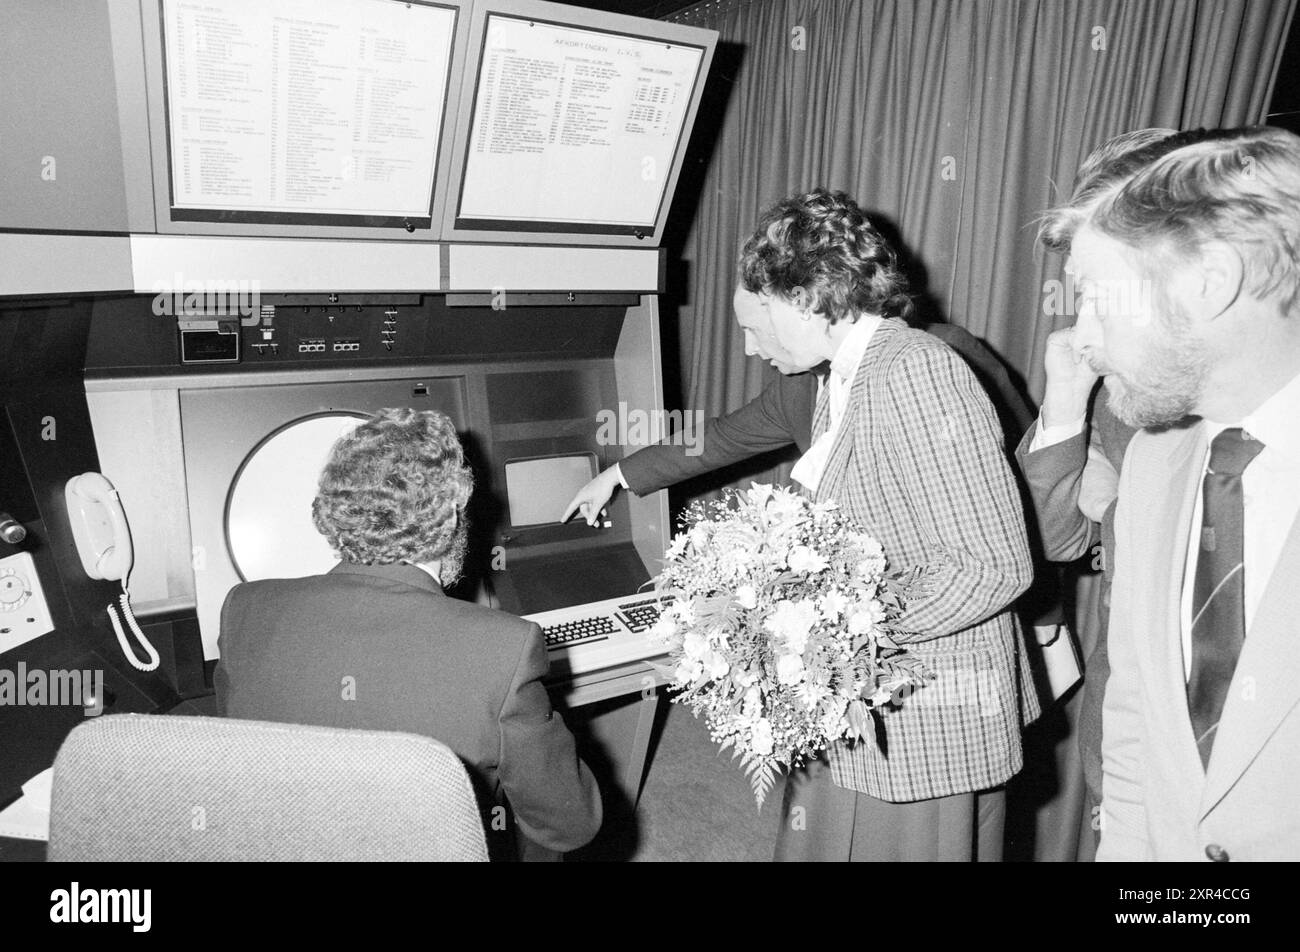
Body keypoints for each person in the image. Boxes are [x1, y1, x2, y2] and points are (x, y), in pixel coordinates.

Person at [566, 189, 1037, 861]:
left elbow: (994, 566)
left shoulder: (918, 372)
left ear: (805, 300)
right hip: (872, 696)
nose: (752, 350)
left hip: (926, 711)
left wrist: (832, 638)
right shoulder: (843, 377)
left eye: (756, 327)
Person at [215, 408, 602, 860]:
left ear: (333, 512)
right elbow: (568, 823)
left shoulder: (245, 609)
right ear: (452, 520)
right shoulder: (504, 648)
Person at [1069, 126, 1300, 860]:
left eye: (1098, 301)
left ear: (1210, 280)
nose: (1081, 337)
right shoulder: (1153, 465)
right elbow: (1135, 731)